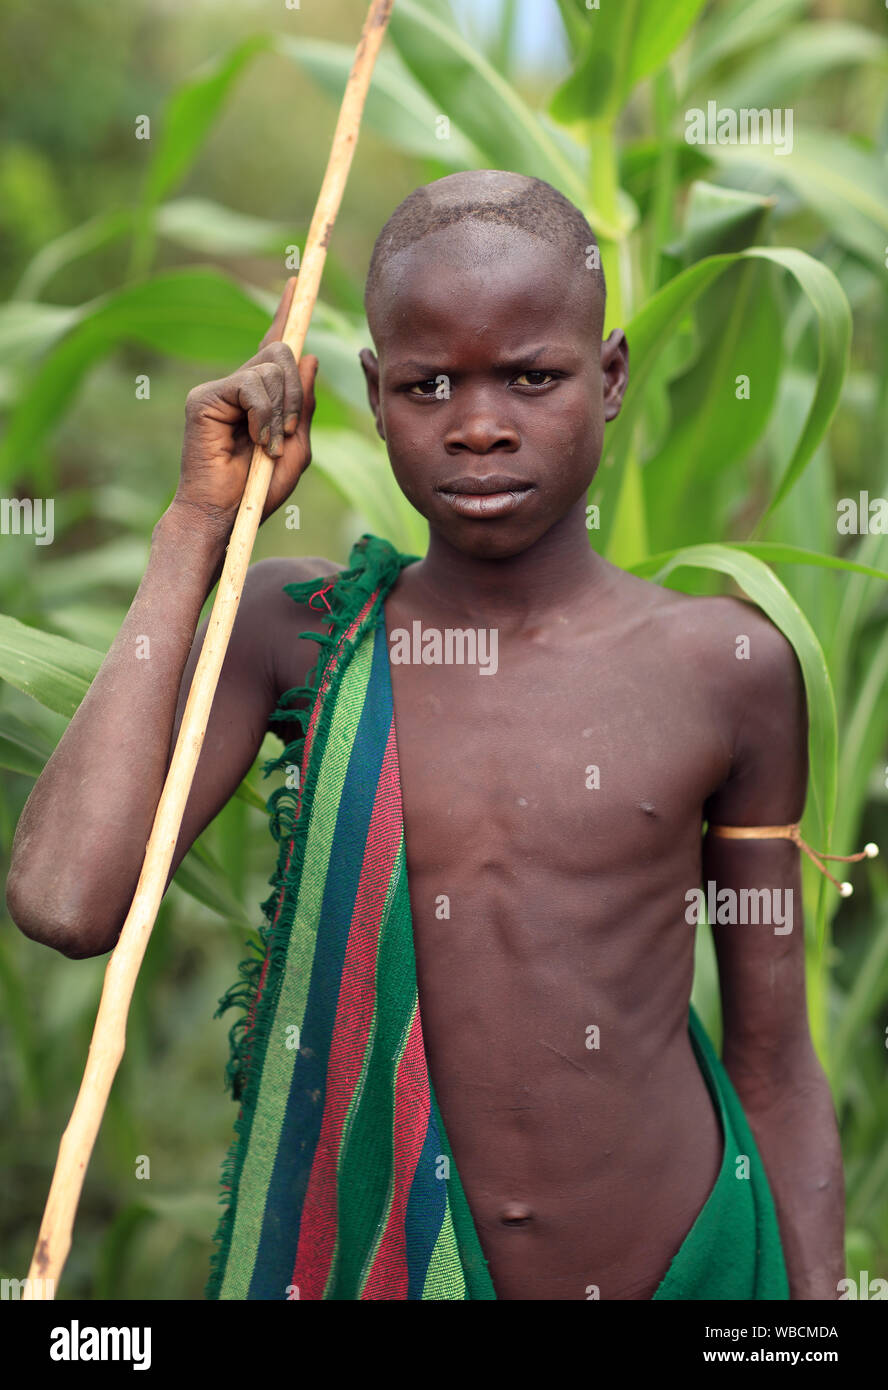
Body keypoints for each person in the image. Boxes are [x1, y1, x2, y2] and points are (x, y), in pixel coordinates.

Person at [6, 170, 845, 1300]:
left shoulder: (726, 666)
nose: (482, 425)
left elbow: (776, 1063)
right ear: (369, 390)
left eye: (534, 377)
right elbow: (65, 900)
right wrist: (195, 529)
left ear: (608, 378)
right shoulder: (307, 633)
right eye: (429, 385)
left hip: (689, 1275)